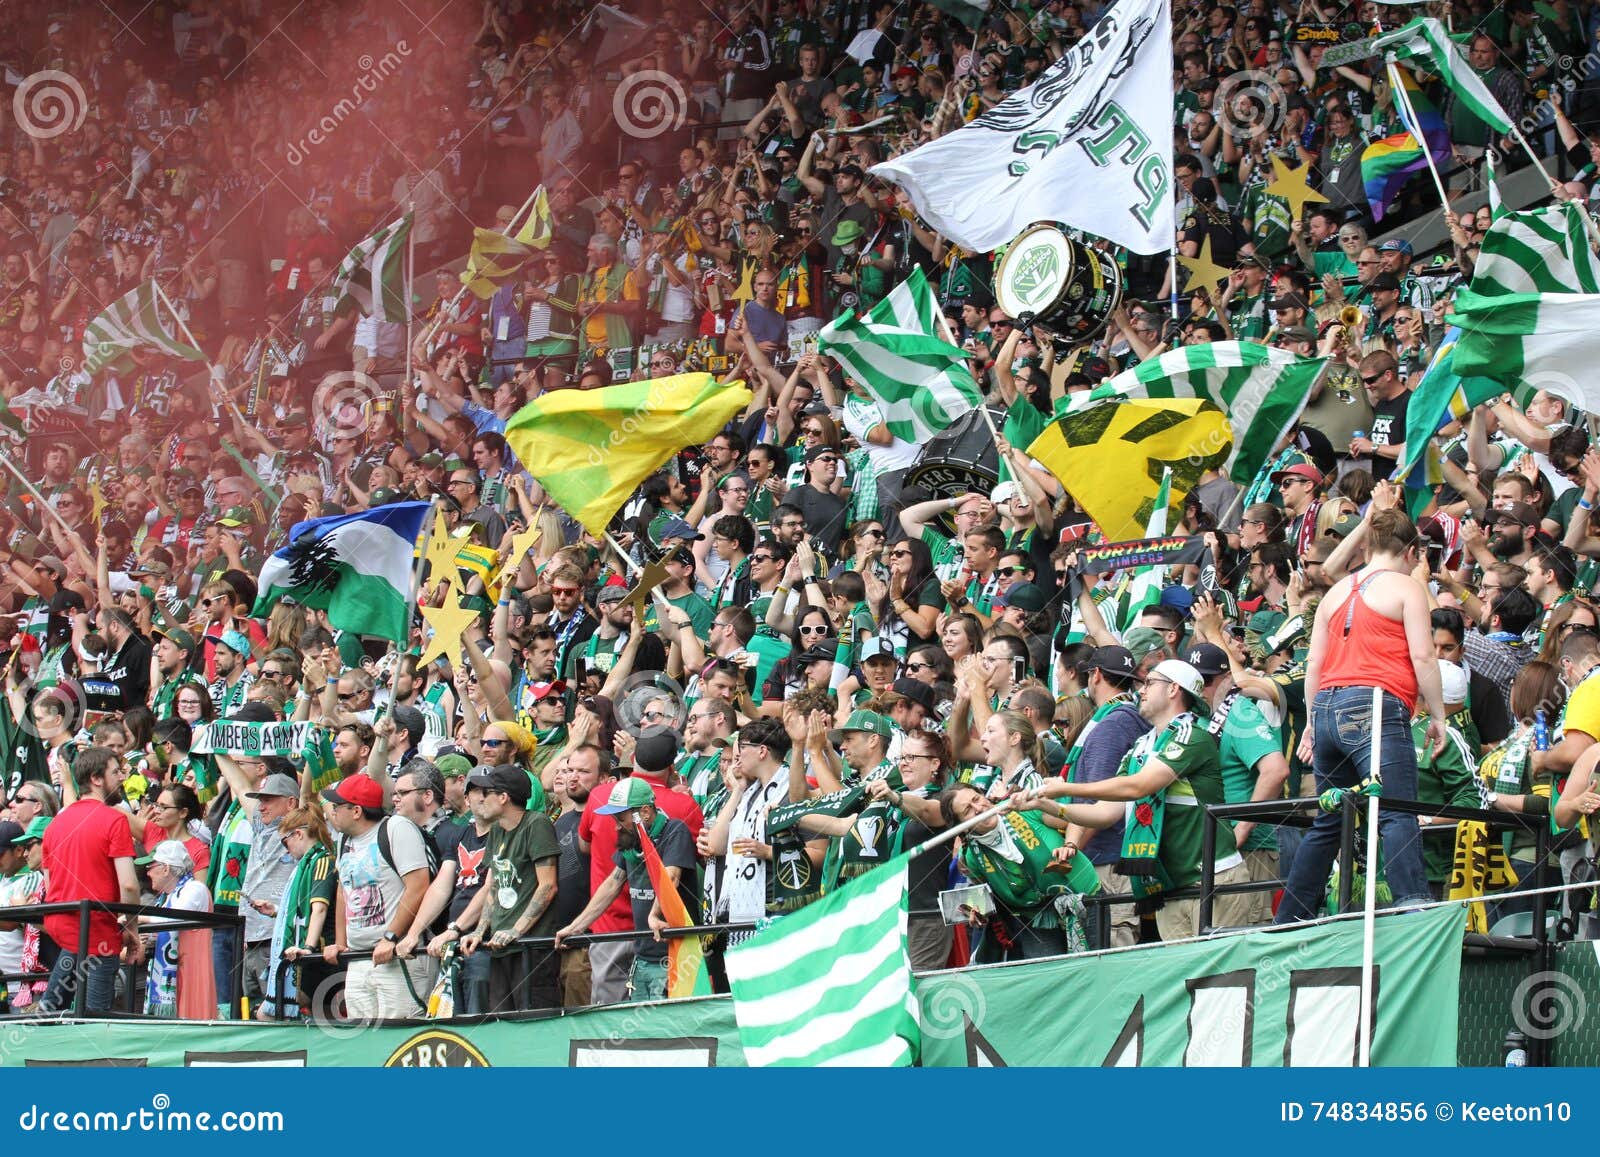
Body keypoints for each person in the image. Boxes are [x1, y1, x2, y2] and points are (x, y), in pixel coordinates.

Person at [1275, 510, 1444, 923]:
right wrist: (1439, 715)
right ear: (1411, 551)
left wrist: (1313, 722)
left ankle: (1291, 916)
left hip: (1329, 707)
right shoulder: (1406, 587)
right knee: (1395, 809)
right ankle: (1412, 905)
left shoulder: (1333, 594)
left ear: (1367, 546)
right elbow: (1423, 655)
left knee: (1330, 820)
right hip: (1375, 704)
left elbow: (1313, 663)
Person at [558, 775, 696, 1001]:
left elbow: (670, 878)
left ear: (644, 812)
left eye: (620, 818)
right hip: (643, 955)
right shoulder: (632, 841)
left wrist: (653, 915)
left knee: (669, 1029)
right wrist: (575, 927)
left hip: (674, 953)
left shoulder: (674, 830)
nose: (615, 825)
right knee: (642, 1032)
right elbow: (612, 883)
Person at [320, 774, 436, 1020]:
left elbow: (418, 885)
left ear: (356, 811)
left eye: (337, 806)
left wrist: (390, 937)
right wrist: (342, 942)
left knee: (400, 1036)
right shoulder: (344, 840)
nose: (332, 812)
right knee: (363, 1044)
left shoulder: (396, 828)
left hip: (397, 954)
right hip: (359, 956)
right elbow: (343, 889)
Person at [448, 765, 560, 1012]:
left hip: (530, 948)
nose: (480, 799)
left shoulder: (536, 823)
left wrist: (516, 930)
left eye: (486, 793)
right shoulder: (497, 829)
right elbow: (493, 886)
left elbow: (548, 886)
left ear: (503, 797)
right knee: (501, 1023)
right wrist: (479, 931)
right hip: (500, 948)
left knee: (533, 1021)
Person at [40, 746, 140, 1013]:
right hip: (97, 931)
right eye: (116, 772)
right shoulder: (114, 819)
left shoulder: (54, 825)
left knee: (52, 1009)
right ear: (96, 779)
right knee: (95, 1016)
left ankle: (40, 1026)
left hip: (65, 927)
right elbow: (129, 884)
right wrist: (132, 928)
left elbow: (50, 885)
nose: (122, 777)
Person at [263, 806, 336, 1020]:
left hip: (318, 953)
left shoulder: (322, 860)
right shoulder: (305, 865)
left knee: (270, 1013)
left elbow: (319, 908)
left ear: (298, 834)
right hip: (308, 951)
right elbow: (300, 912)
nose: (286, 849)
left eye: (285, 842)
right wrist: (277, 912)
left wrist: (308, 947)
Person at [137, 839, 216, 1019]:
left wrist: (139, 919)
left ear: (165, 868)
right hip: (180, 969)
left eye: (150, 867)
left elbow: (174, 918)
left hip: (192, 969)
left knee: (191, 1018)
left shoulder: (194, 889)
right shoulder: (167, 898)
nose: (147, 873)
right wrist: (148, 938)